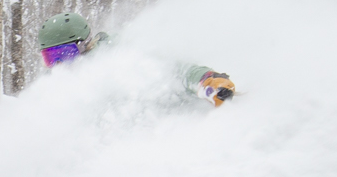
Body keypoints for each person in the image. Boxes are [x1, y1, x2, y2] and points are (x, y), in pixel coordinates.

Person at [34, 10, 237, 106]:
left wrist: (206, 80)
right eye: (50, 58)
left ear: (83, 44)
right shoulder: (53, 83)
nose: (58, 65)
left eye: (63, 54)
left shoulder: (120, 54)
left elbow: (174, 70)